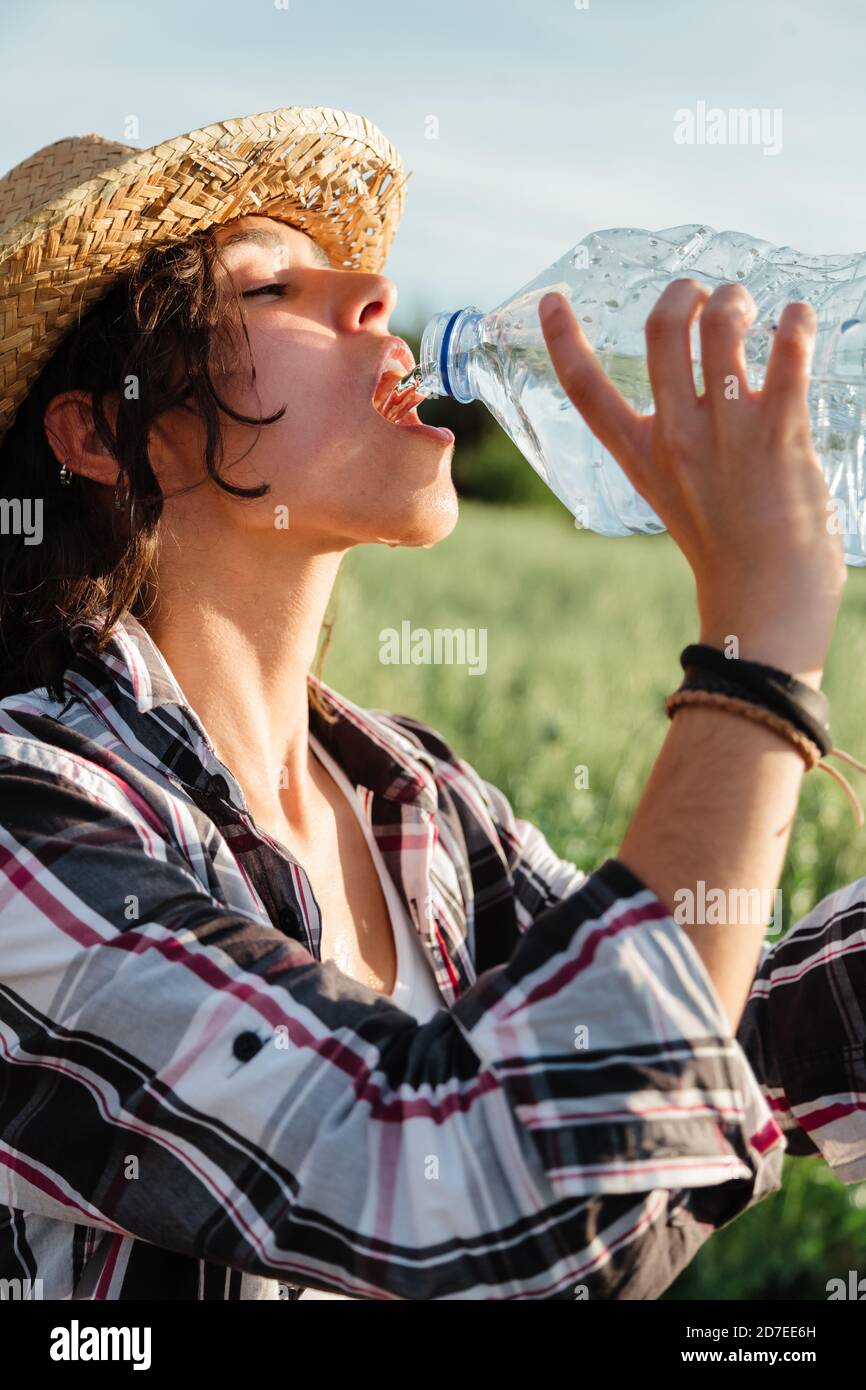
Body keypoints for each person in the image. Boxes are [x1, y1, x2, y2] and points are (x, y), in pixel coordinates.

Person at [0, 106, 862, 1303]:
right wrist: (753, 661)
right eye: (271, 287)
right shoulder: (30, 822)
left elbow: (719, 1032)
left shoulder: (413, 794)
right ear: (98, 431)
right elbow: (460, 1185)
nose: (373, 293)